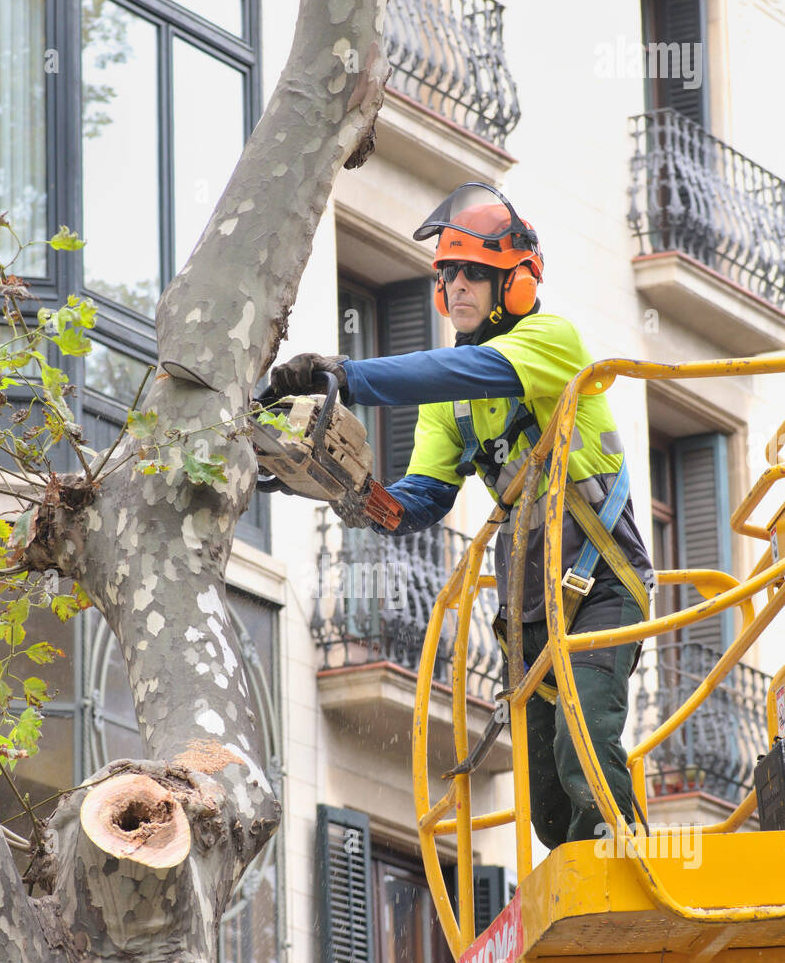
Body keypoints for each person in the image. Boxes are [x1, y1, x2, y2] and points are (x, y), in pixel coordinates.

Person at [270, 182, 654, 850]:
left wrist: (345, 377)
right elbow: (418, 501)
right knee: (546, 809)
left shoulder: (548, 341)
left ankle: (638, 875)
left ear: (517, 284)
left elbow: (464, 373)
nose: (456, 288)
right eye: (447, 275)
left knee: (584, 751)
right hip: (529, 609)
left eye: (475, 273)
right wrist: (335, 485)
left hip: (602, 587)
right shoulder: (448, 406)